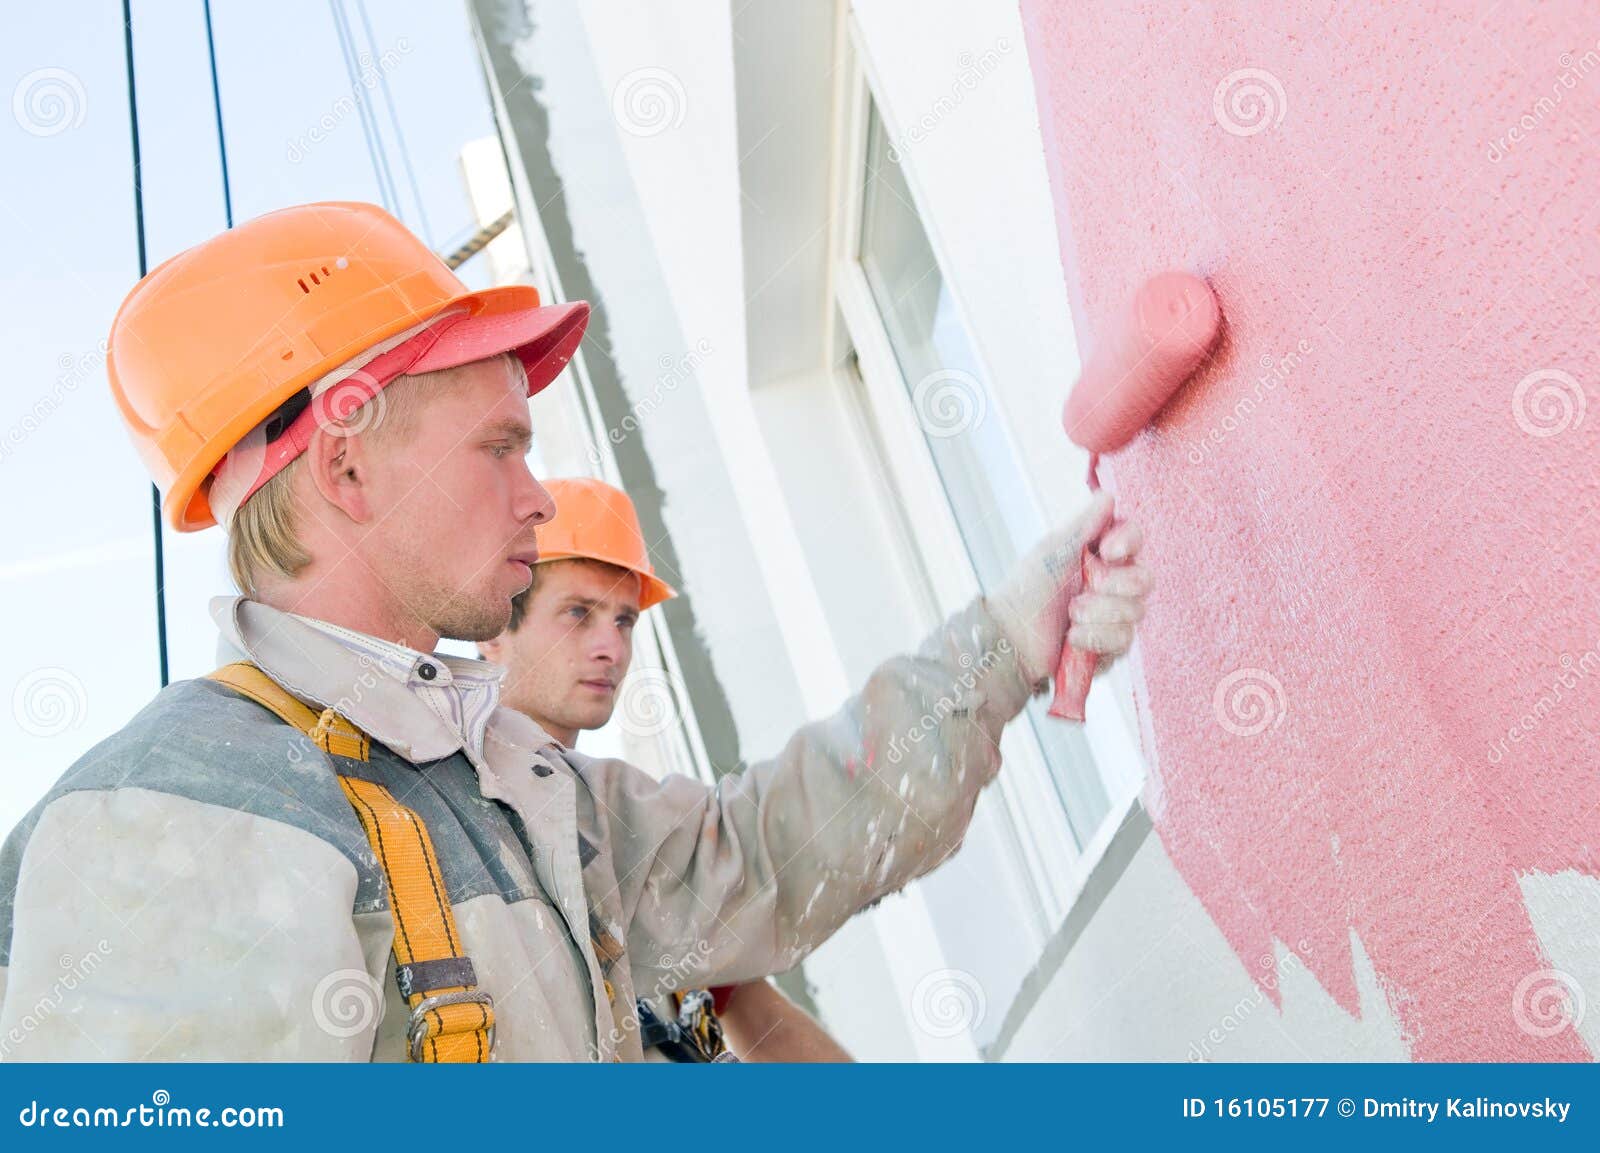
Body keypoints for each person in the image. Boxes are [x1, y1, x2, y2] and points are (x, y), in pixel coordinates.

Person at [0, 201, 1150, 1061]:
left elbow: (768, 853)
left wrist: (1007, 636)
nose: (539, 497)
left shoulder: (513, 782)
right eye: (500, 448)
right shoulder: (171, 818)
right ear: (345, 465)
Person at [477, 476, 853, 1062]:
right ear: (495, 630)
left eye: (624, 621)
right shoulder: (462, 824)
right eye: (579, 614)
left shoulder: (631, 836)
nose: (613, 648)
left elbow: (755, 1012)